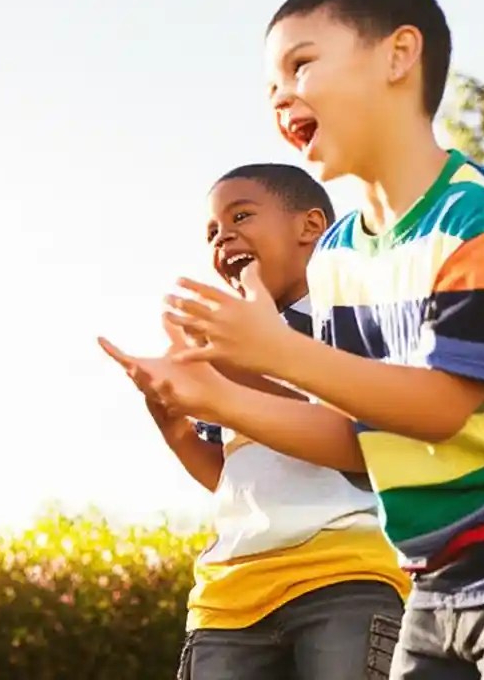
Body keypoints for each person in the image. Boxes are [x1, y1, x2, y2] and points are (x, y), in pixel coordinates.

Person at [108, 0, 484, 679]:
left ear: (398, 56)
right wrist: (208, 400)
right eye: (270, 85)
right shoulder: (342, 259)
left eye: (302, 63)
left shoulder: (483, 219)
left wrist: (277, 351)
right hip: (437, 569)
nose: (281, 94)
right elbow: (357, 439)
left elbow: (444, 407)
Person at [102, 164, 408, 680]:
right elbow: (227, 475)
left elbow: (364, 442)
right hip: (230, 595)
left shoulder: (352, 314)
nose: (224, 236)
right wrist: (173, 424)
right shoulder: (222, 348)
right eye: (212, 232)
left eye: (240, 215)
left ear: (309, 226)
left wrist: (233, 380)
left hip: (346, 574)